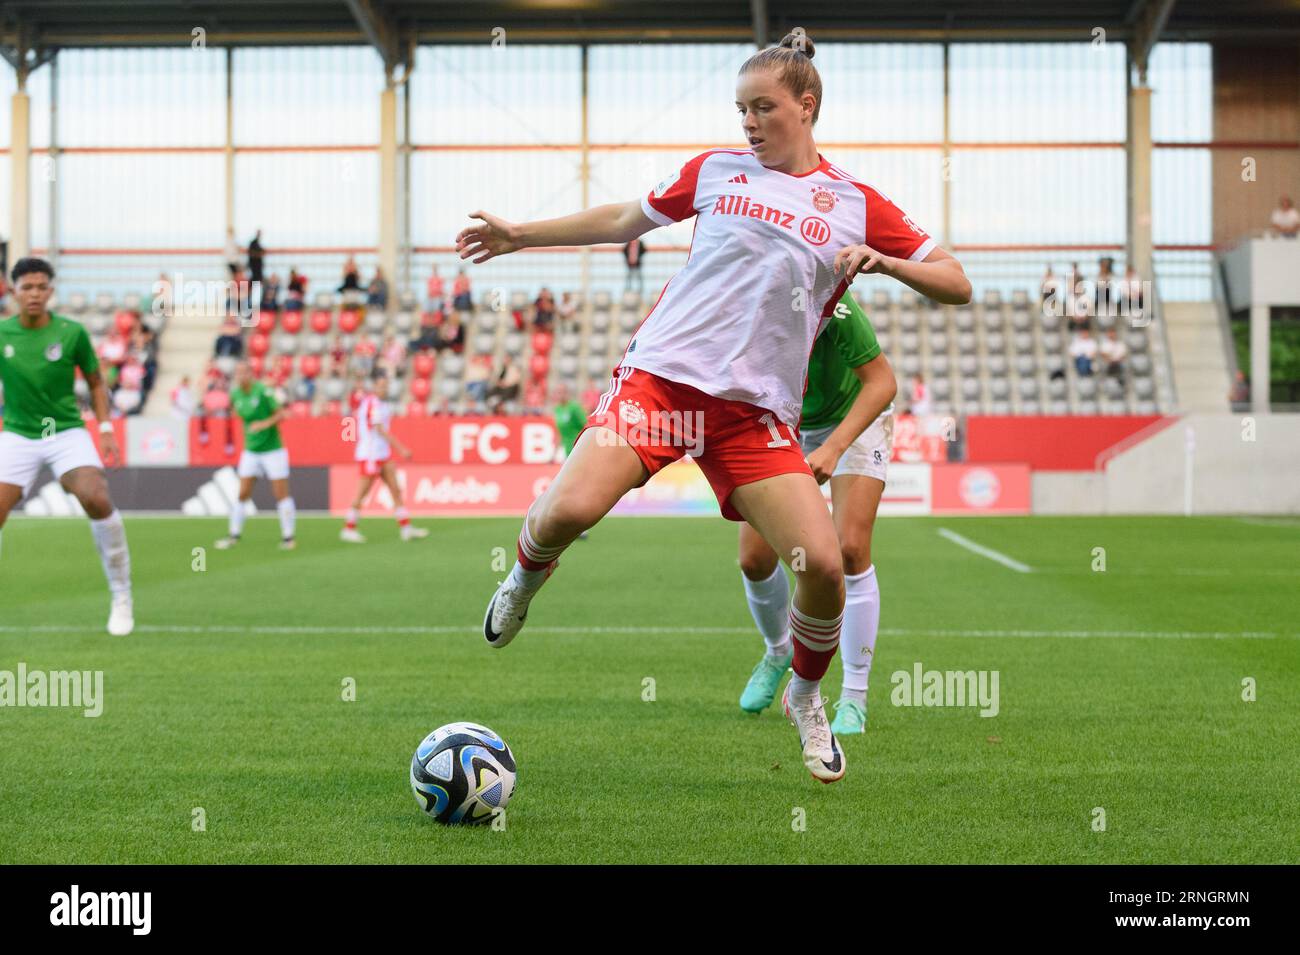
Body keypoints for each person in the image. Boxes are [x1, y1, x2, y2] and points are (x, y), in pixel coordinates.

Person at [455, 32, 969, 783]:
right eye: (741, 110)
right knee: (567, 511)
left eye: (764, 108)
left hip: (753, 414)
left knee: (823, 563)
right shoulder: (714, 170)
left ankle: (805, 696)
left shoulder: (856, 203)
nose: (750, 124)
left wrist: (885, 261)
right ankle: (523, 580)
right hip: (662, 382)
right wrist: (519, 235)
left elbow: (955, 280)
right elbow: (624, 219)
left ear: (807, 105)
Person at [738, 291, 896, 735]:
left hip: (853, 421)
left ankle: (854, 697)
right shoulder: (753, 308)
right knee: (754, 557)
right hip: (784, 424)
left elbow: (882, 382)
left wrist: (833, 447)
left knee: (849, 550)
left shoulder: (837, 309)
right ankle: (778, 651)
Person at [0, 257, 134, 635]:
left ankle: (121, 595)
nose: (34, 294)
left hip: (64, 432)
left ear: (51, 291)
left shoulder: (71, 333)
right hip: (19, 434)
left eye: (42, 287)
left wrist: (105, 427)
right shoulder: (2, 333)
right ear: (14, 291)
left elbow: (95, 381)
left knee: (97, 497)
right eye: (27, 287)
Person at [214, 360, 297, 550]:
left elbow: (281, 414)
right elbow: (239, 414)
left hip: (273, 450)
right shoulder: (235, 394)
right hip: (251, 451)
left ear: (251, 374)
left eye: (244, 372)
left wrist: (265, 424)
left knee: (281, 493)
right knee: (242, 493)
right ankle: (233, 535)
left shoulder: (263, 391)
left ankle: (288, 537)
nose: (241, 376)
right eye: (238, 373)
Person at [340, 372, 429, 544]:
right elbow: (379, 429)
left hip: (382, 453)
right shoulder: (372, 403)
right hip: (370, 454)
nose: (384, 388)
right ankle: (348, 528)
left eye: (386, 385)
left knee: (395, 489)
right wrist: (401, 448)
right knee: (362, 493)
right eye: (381, 385)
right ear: (374, 386)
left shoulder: (380, 403)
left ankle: (406, 528)